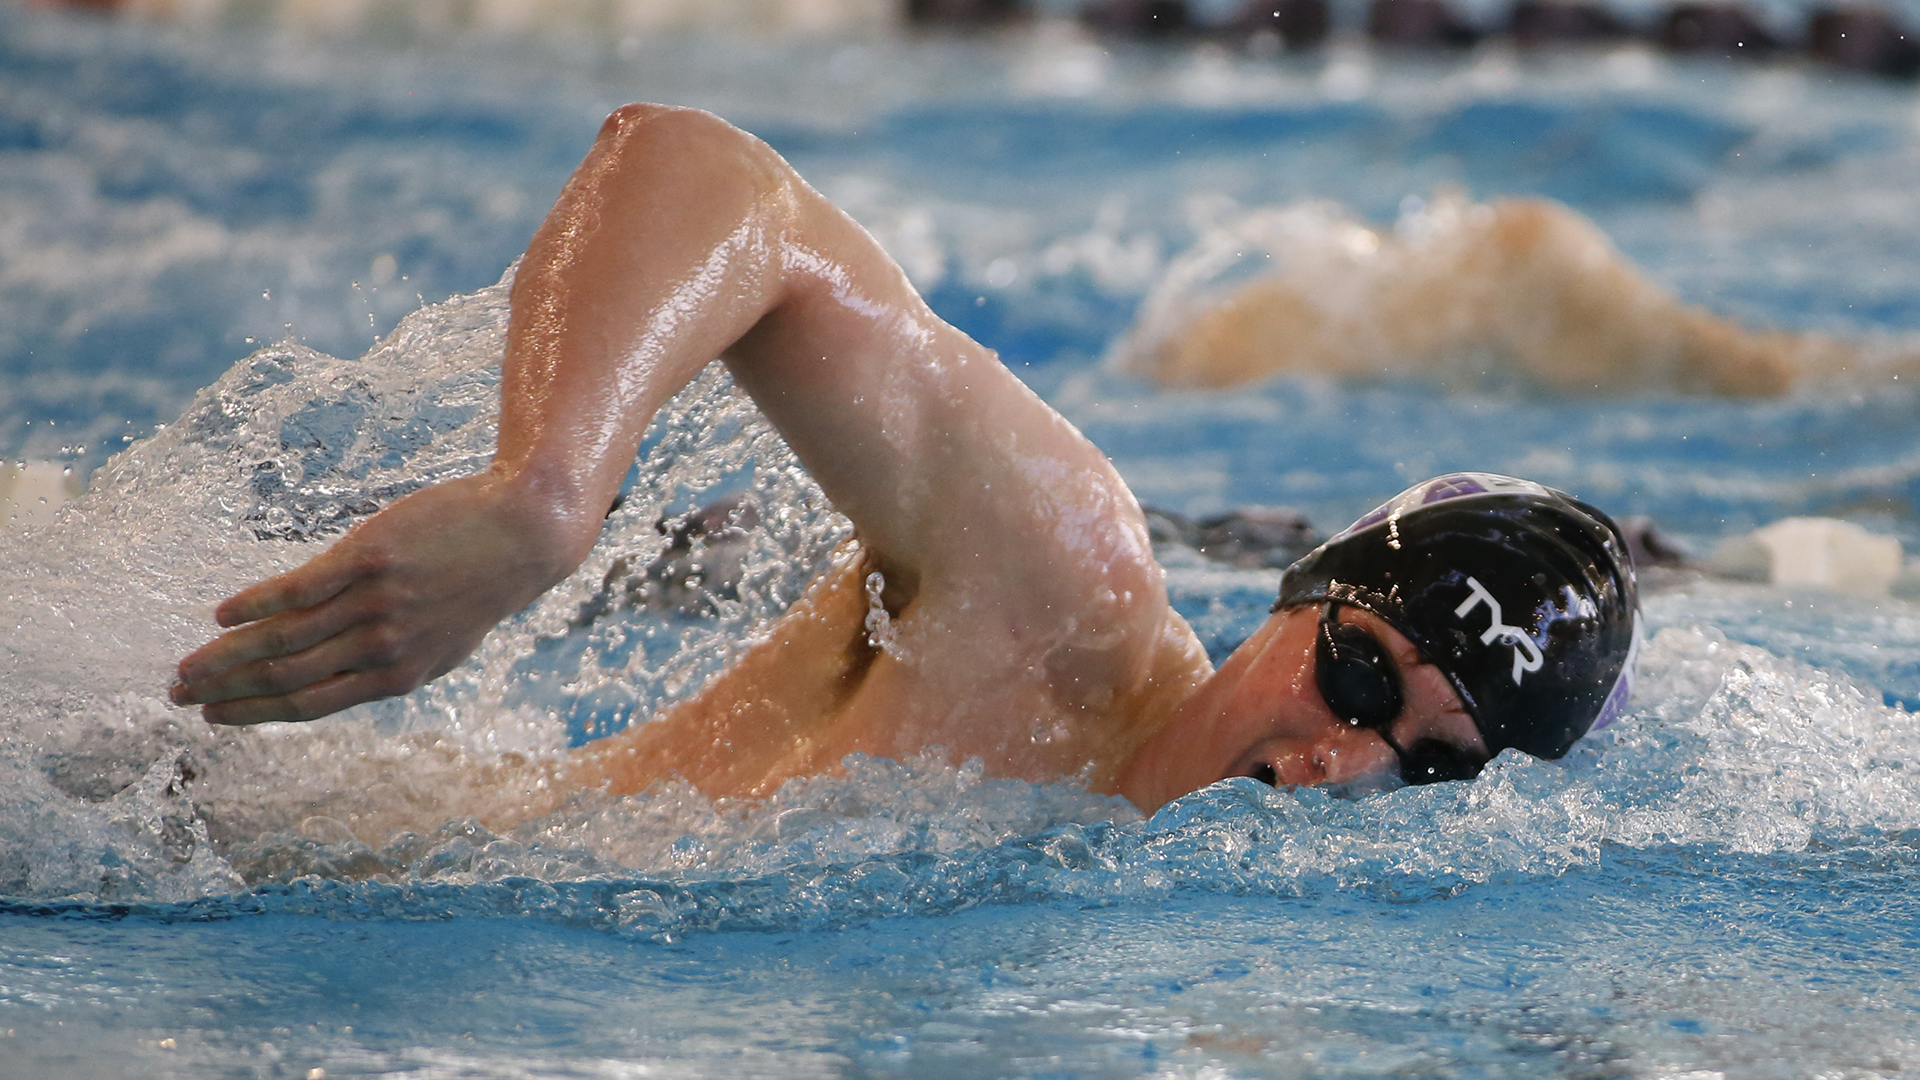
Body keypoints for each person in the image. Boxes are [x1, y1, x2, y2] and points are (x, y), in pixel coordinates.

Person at [169, 104, 1638, 815]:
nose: (1334, 762)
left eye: (1427, 764)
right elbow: (708, 172)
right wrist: (544, 500)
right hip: (199, 788)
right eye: (1361, 673)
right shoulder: (1062, 595)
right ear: (1294, 597)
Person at [1117, 191, 1885, 397]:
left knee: (1782, 376)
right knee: (1787, 372)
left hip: (1523, 290)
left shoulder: (1238, 351)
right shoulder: (1257, 322)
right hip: (1519, 274)